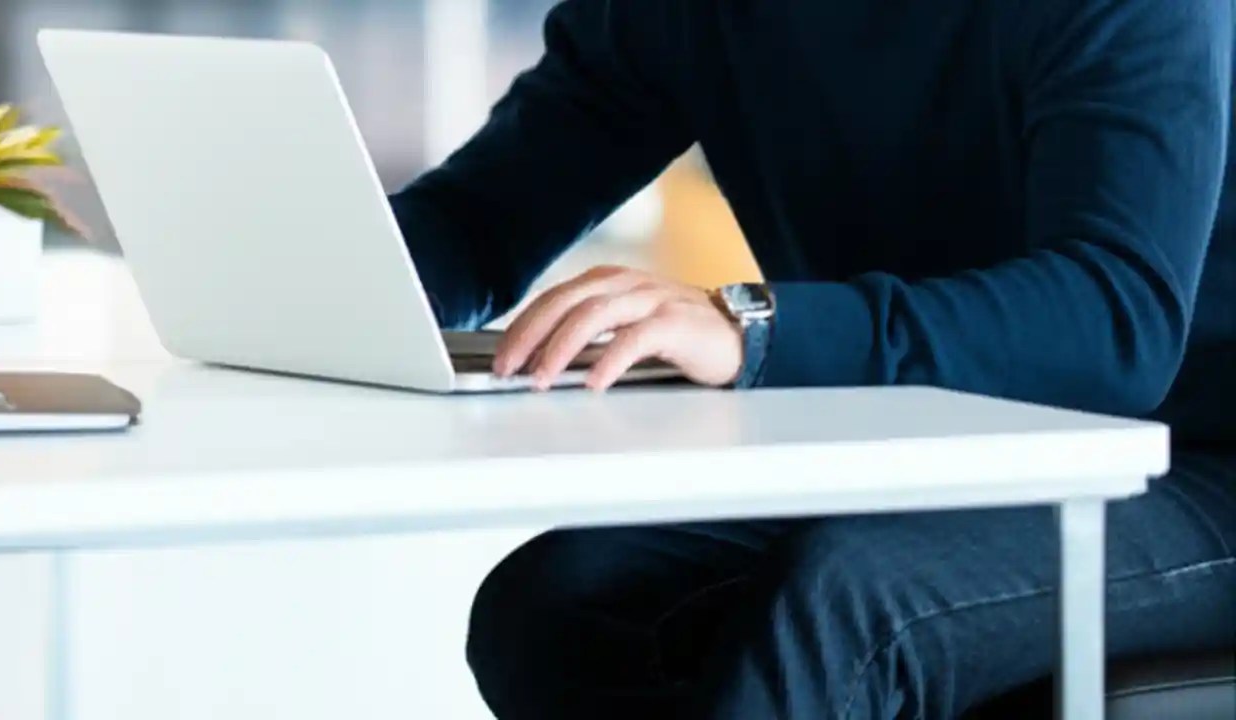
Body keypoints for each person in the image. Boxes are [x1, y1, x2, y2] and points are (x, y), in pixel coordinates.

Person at [389, 1, 1235, 717]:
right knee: (558, 603)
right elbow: (480, 217)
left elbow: (1115, 321)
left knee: (843, 612)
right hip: (929, 444)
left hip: (1191, 463)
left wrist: (754, 329)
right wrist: (319, 274)